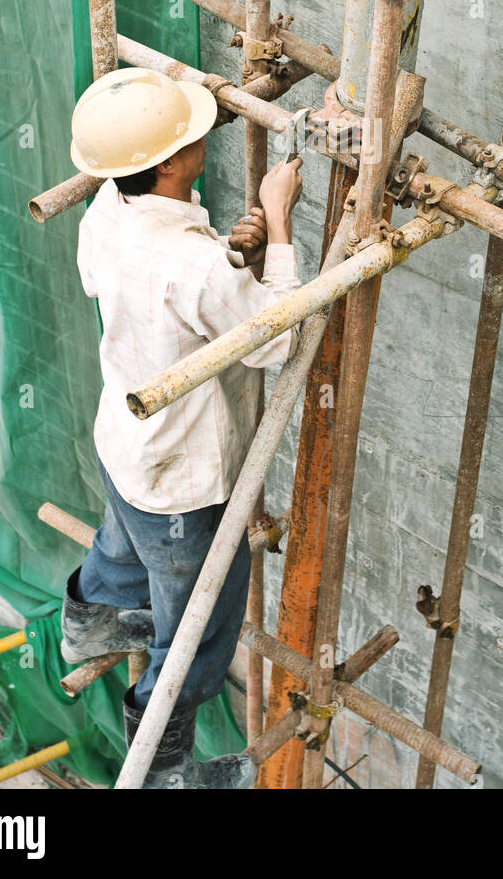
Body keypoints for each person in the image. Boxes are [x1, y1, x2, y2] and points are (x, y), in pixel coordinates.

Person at [59, 66, 303, 788]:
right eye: (191, 134)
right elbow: (273, 340)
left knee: (120, 546)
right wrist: (278, 217)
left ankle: (90, 623)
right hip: (183, 485)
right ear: (168, 162)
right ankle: (160, 773)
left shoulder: (108, 207)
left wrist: (230, 260)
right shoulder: (193, 266)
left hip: (127, 443)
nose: (204, 135)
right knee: (196, 629)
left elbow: (136, 284)